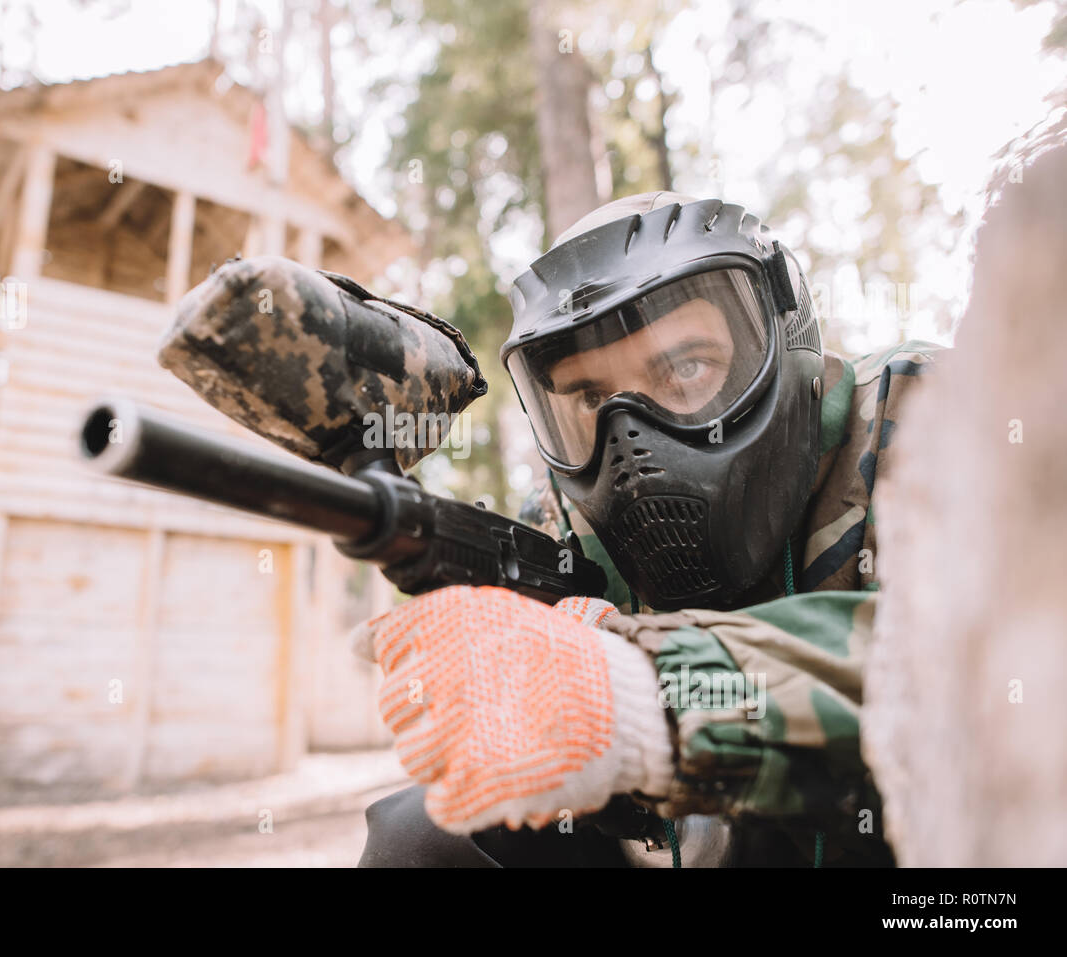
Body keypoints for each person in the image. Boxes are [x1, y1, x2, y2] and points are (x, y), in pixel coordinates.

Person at [355, 191, 941, 867]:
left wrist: (643, 692)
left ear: (784, 337)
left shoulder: (920, 414)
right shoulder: (565, 514)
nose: (631, 445)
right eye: (591, 398)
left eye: (687, 367)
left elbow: (994, 670)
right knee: (424, 835)